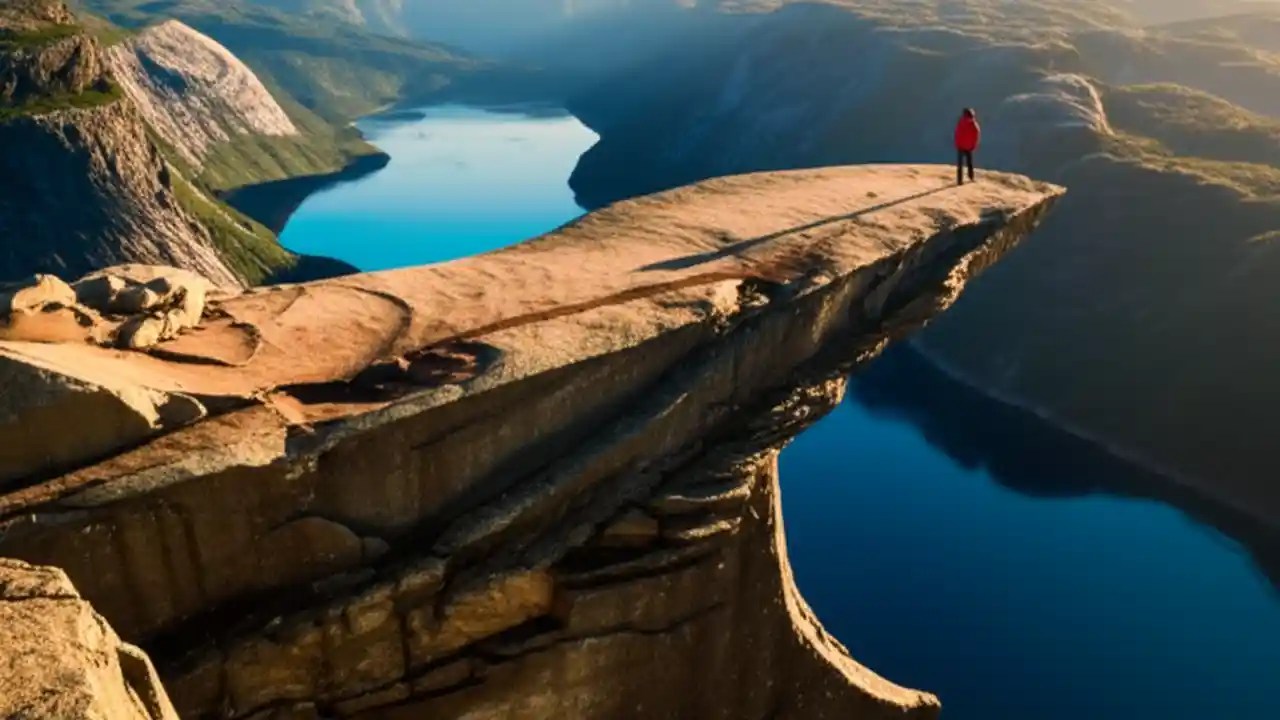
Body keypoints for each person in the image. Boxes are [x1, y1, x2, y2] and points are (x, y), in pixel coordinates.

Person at [954, 108, 981, 185]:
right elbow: (976, 136)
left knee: (961, 164)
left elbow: (957, 134)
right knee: (969, 163)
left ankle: (960, 181)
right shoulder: (973, 124)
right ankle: (970, 177)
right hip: (968, 147)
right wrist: (974, 146)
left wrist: (957, 144)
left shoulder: (961, 123)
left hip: (962, 147)